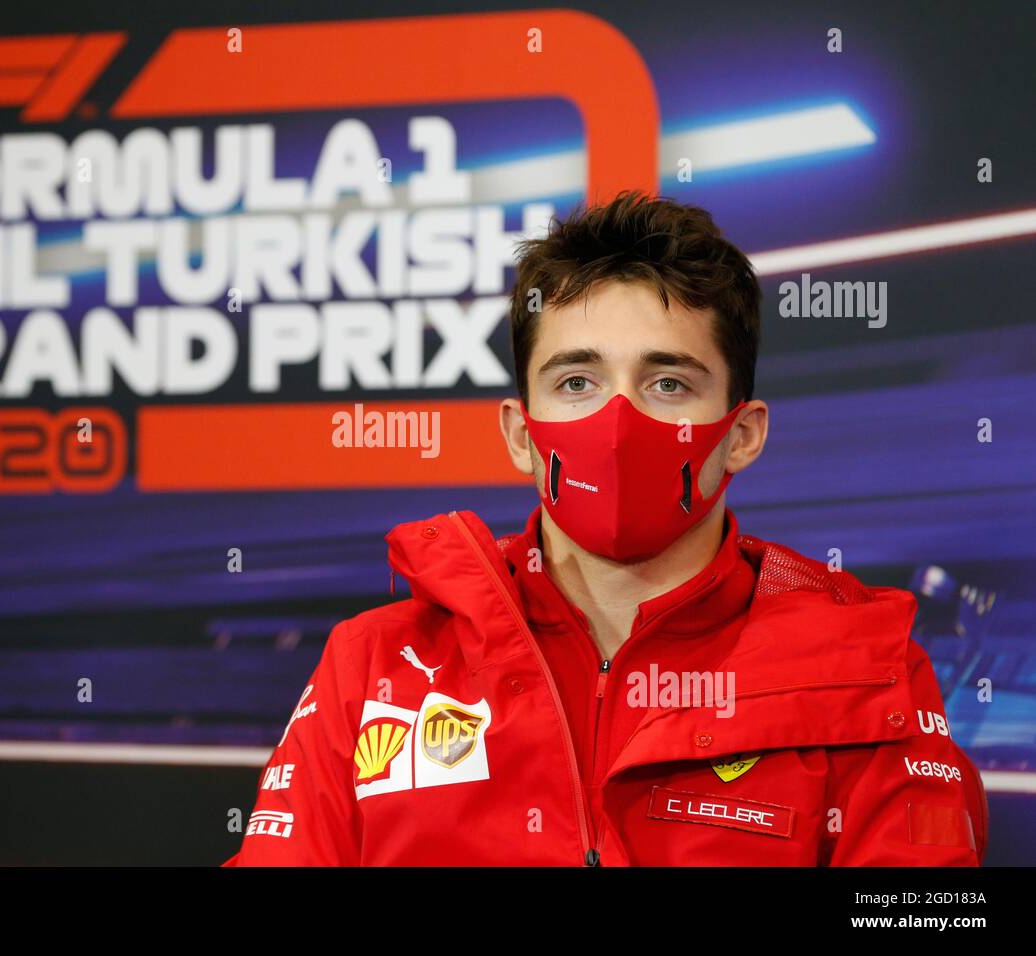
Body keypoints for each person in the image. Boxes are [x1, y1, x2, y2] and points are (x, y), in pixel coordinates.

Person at [222, 191, 988, 866]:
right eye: (577, 382)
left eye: (667, 382)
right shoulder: (377, 663)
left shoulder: (864, 667)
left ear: (742, 433)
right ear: (522, 433)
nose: (618, 422)